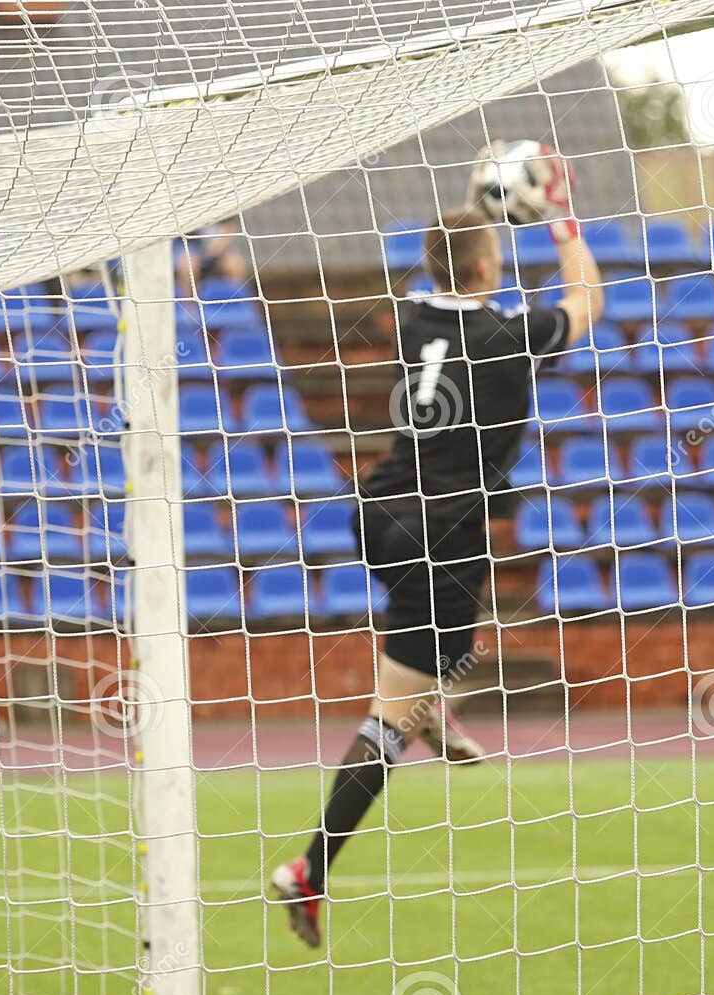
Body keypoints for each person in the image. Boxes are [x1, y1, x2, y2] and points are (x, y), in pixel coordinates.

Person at [269, 145, 604, 948]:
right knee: (393, 714)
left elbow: (449, 259)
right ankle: (309, 868)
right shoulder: (507, 336)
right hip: (442, 528)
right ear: (490, 264)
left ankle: (434, 713)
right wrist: (558, 213)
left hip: (380, 509)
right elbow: (586, 297)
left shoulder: (412, 315)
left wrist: (470, 218)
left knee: (428, 660)